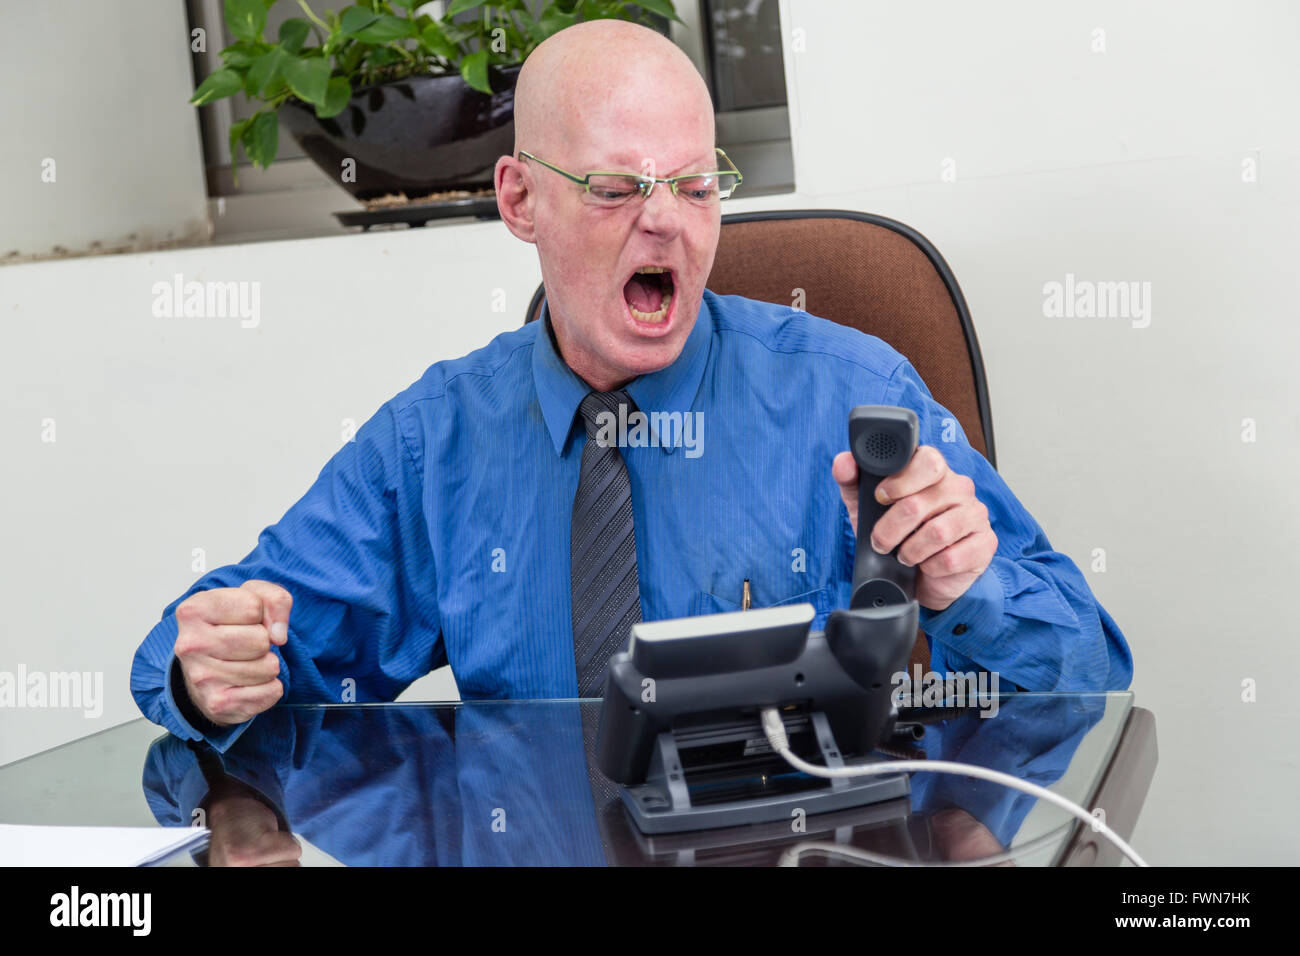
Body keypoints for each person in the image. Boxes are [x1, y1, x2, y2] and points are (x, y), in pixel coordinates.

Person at [131, 19, 1131, 751]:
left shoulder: (853, 394)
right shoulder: (433, 441)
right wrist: (207, 668)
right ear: (520, 199)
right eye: (614, 189)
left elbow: (1086, 675)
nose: (667, 224)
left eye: (696, 188)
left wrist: (970, 586)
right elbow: (248, 642)